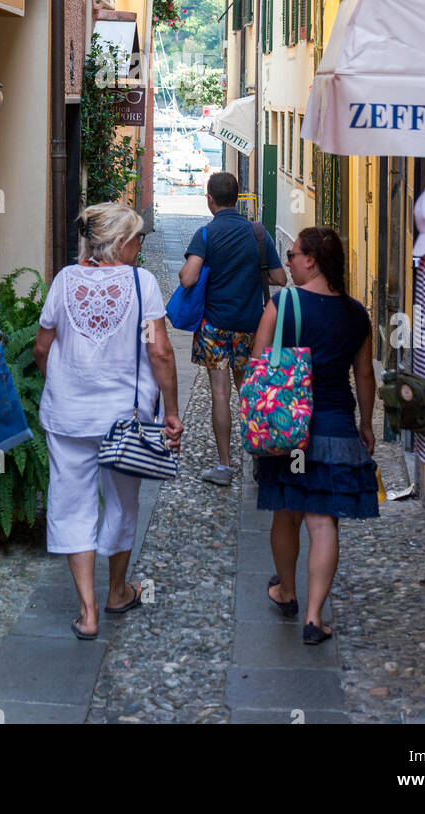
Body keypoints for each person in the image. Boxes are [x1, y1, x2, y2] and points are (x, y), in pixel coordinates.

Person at [33, 203, 184, 639]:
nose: (140, 246)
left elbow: (43, 347)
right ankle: (117, 591)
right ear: (120, 243)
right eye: (137, 239)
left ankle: (88, 611)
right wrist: (171, 411)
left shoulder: (64, 281)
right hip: (125, 420)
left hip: (69, 417)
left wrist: (60, 384)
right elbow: (159, 352)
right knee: (121, 502)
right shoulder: (142, 284)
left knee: (70, 502)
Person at [249, 227, 378, 644]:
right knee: (323, 523)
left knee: (286, 512)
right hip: (336, 428)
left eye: (293, 254)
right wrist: (366, 424)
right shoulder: (357, 314)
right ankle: (314, 616)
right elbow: (364, 375)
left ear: (312, 260)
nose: (287, 261)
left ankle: (286, 590)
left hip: (289, 429)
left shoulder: (282, 303)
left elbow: (258, 363)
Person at [179, 171, 285, 486]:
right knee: (249, 392)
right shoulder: (257, 232)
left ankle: (224, 467)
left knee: (220, 394)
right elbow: (280, 279)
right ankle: (259, 459)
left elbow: (188, 278)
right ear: (237, 198)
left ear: (210, 198)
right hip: (251, 327)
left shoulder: (206, 235)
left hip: (215, 327)